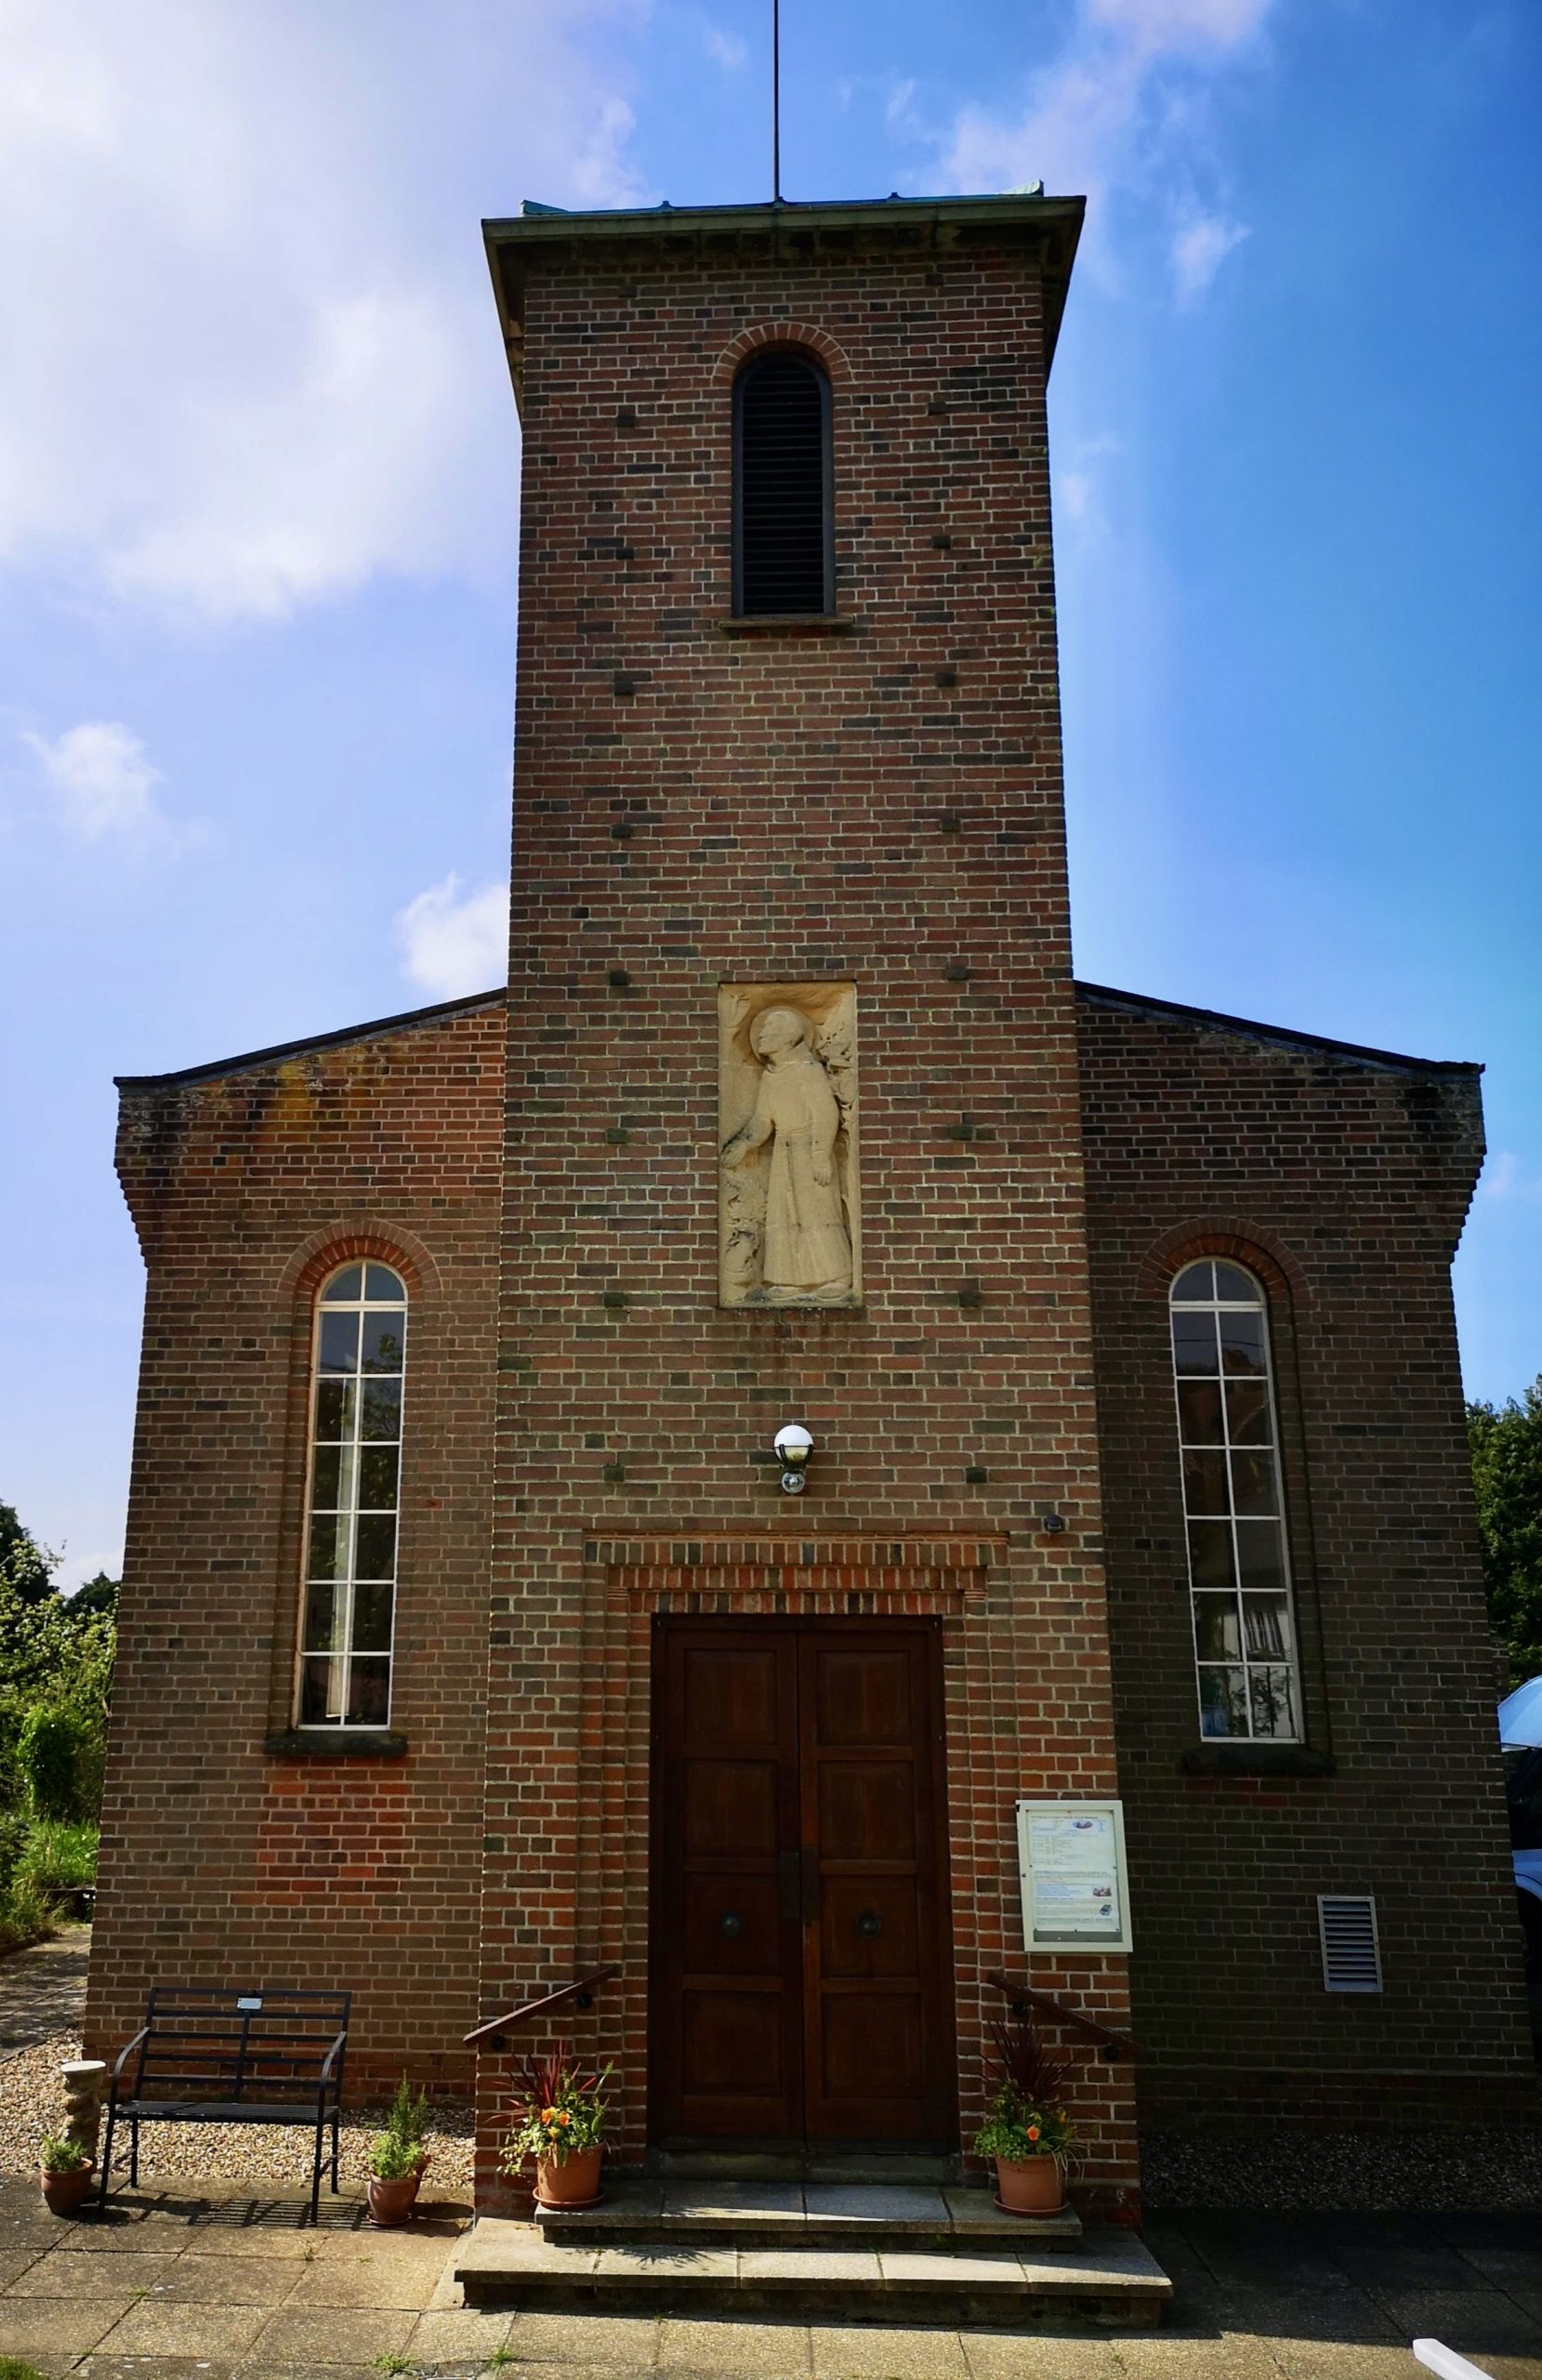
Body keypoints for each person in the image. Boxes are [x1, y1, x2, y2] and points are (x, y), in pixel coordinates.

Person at [722, 1006, 851, 1298]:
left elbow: (826, 1113)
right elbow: (761, 1119)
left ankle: (836, 1276)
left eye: (769, 1030)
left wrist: (820, 1153)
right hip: (783, 1149)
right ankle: (790, 1280)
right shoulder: (771, 1076)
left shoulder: (807, 1069)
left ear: (787, 1036)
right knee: (785, 1214)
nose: (762, 1036)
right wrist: (744, 1143)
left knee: (817, 1212)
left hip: (808, 1147)